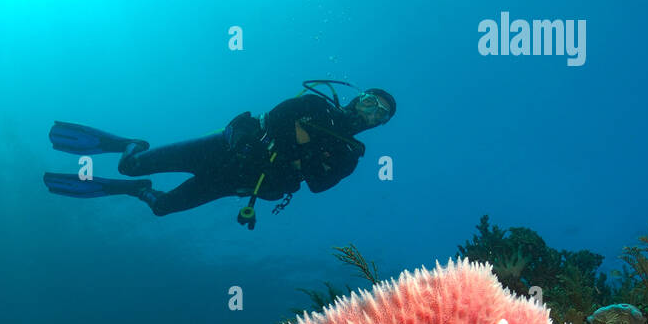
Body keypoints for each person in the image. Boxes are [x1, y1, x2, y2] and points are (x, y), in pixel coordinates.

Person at [43, 80, 395, 228]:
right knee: (131, 164)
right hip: (219, 150)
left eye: (379, 113)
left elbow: (319, 186)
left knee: (162, 207)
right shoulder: (315, 104)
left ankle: (135, 190)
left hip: (238, 182)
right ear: (356, 97)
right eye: (369, 101)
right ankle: (129, 143)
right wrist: (302, 153)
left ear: (379, 125)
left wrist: (297, 148)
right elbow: (277, 116)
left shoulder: (350, 155)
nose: (369, 112)